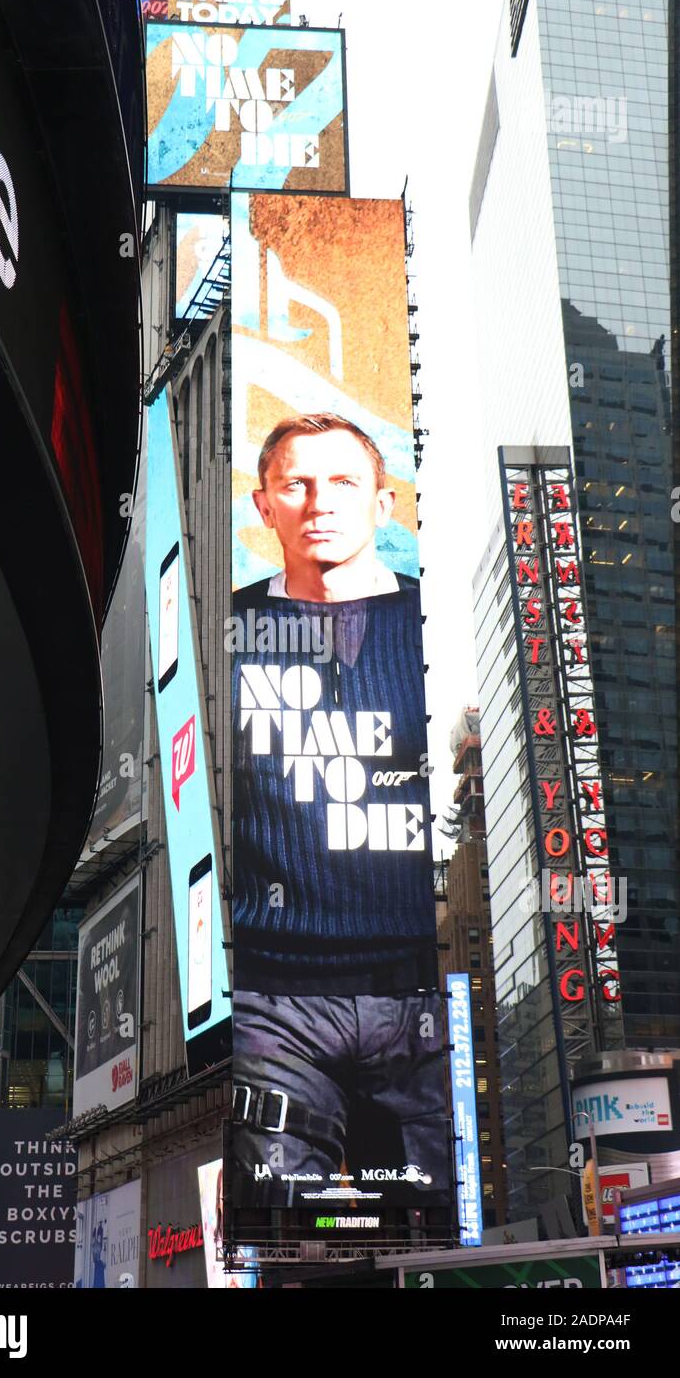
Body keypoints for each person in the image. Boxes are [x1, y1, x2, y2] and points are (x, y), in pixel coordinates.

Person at [231, 413, 447, 1208]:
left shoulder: (436, 623)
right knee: (289, 1229)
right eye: (297, 484)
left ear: (383, 505)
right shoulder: (228, 631)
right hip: (272, 997)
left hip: (421, 994)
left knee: (433, 1227)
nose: (320, 502)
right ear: (265, 505)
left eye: (345, 482)